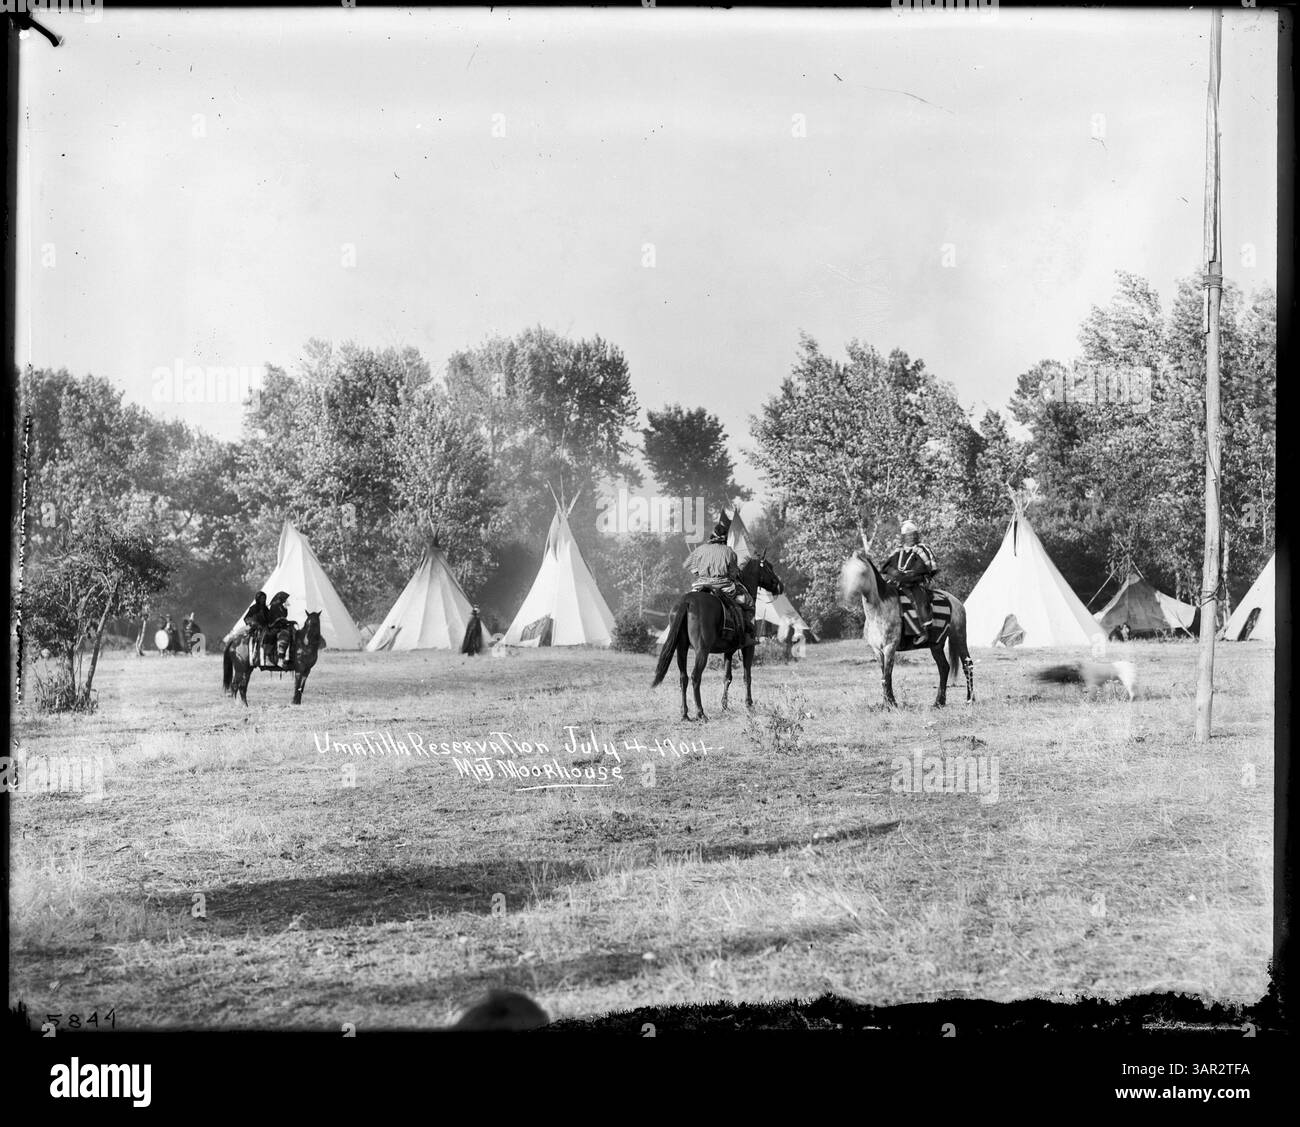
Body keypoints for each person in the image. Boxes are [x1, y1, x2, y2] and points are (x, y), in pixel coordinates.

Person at [685, 510, 754, 641]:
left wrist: (698, 573)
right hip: (723, 585)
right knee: (748, 601)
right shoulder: (729, 551)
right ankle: (747, 632)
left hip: (700, 584)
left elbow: (689, 566)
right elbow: (733, 574)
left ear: (712, 536)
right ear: (725, 538)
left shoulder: (700, 550)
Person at [883, 519, 938, 639]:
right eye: (908, 535)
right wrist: (895, 573)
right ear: (904, 537)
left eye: (913, 535)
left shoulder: (922, 549)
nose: (911, 538)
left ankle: (924, 631)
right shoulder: (898, 551)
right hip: (897, 582)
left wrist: (908, 576)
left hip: (916, 582)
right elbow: (886, 567)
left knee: (919, 599)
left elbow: (926, 568)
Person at [263, 591, 294, 668]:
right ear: (281, 598)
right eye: (285, 598)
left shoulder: (281, 606)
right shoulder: (274, 606)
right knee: (272, 636)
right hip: (274, 625)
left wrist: (285, 609)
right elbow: (273, 617)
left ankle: (289, 655)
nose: (286, 600)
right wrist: (280, 619)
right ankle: (269, 657)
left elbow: (284, 616)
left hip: (281, 625)